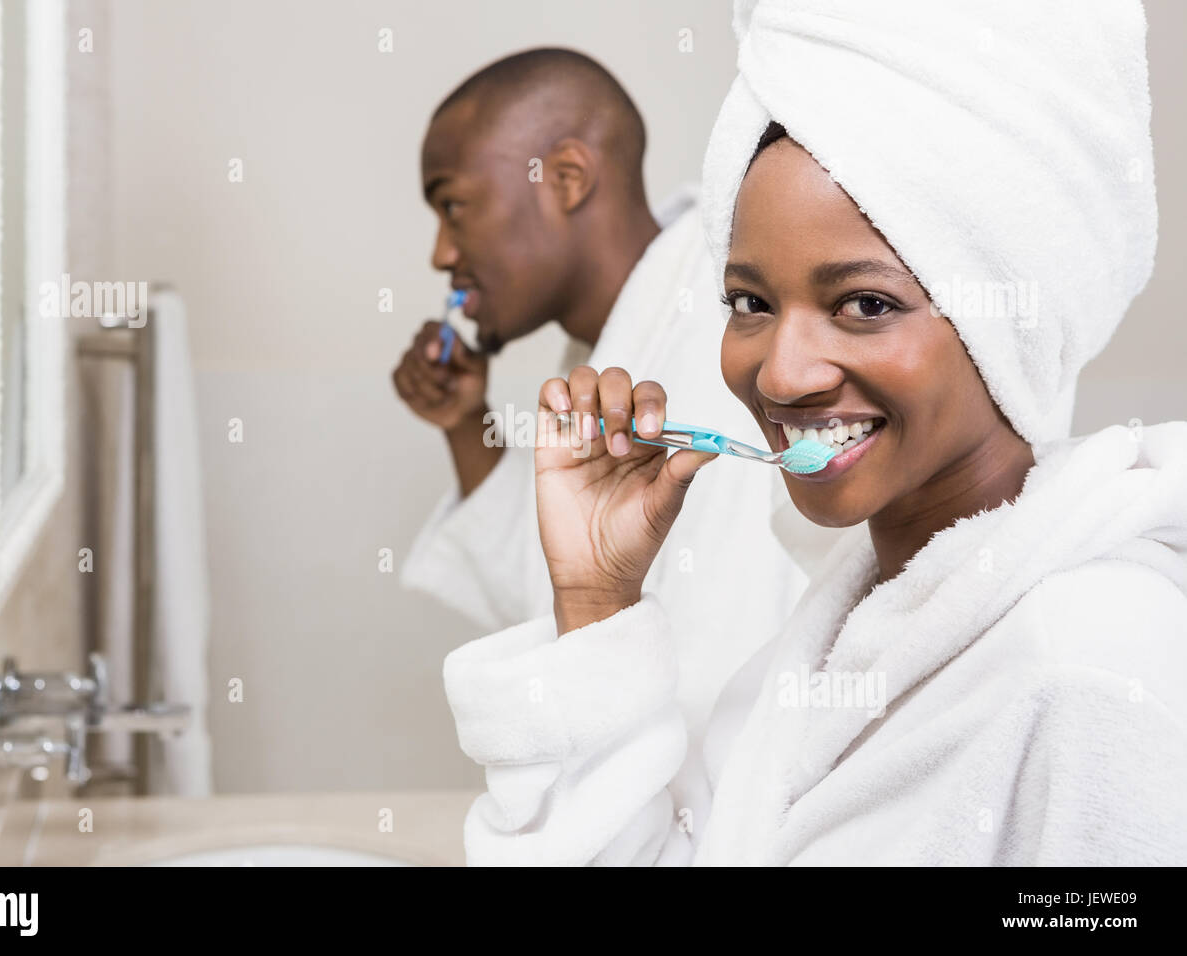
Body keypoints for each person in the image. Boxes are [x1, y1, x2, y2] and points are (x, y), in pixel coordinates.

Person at [442, 0, 1187, 865]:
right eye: (751, 303)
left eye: (865, 304)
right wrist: (595, 602)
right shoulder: (821, 653)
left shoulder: (1090, 667)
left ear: (1008, 326)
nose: (782, 373)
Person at [393, 48, 832, 734]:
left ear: (566, 177)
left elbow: (723, 677)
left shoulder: (723, 334)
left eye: (454, 206)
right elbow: (562, 587)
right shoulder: (608, 349)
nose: (442, 254)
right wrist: (462, 422)